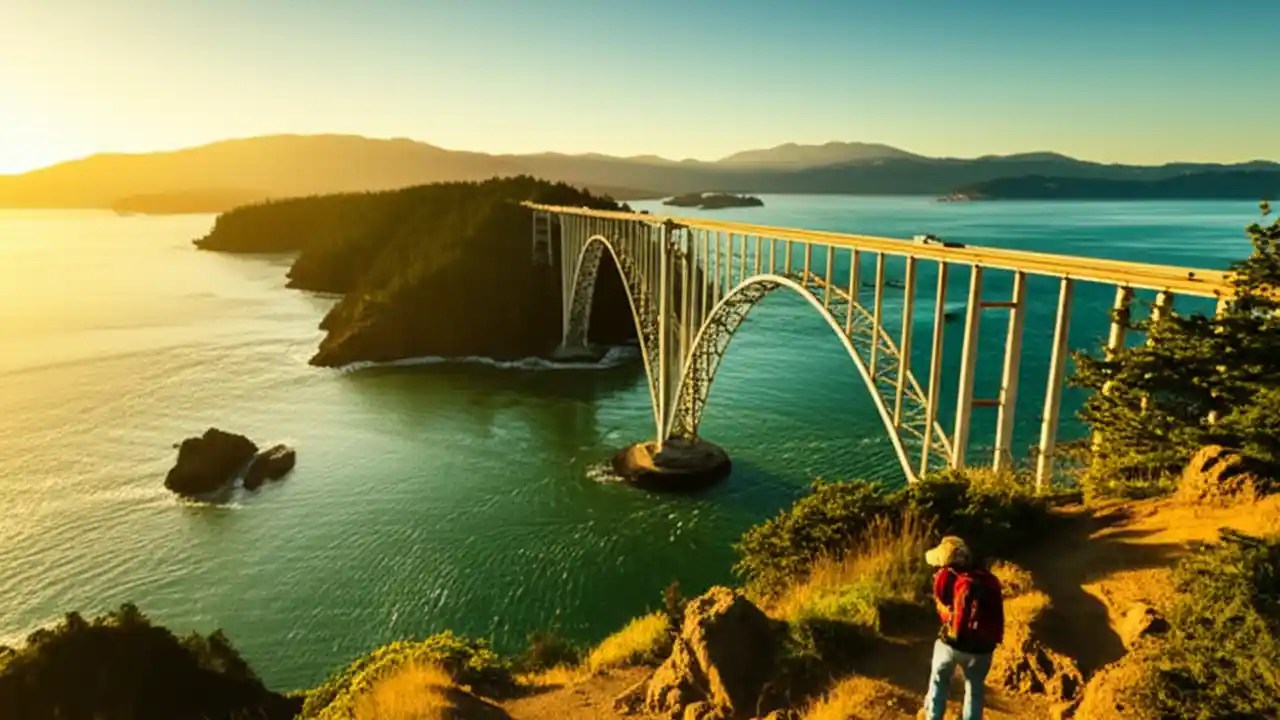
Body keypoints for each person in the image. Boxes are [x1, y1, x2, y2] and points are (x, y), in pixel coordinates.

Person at [921, 536, 1004, 720]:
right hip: (983, 647)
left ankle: (933, 716)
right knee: (974, 690)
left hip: (953, 643)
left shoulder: (946, 577)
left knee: (939, 680)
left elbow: (946, 610)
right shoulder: (989, 581)